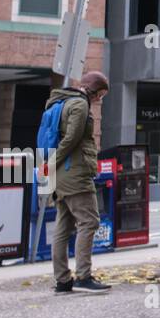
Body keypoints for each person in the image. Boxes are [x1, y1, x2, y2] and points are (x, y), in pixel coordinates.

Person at [49, 70, 111, 294]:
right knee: (89, 222)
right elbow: (72, 137)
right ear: (93, 89)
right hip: (74, 173)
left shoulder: (61, 101)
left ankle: (62, 281)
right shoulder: (80, 104)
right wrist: (52, 162)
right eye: (101, 95)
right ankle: (83, 277)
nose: (99, 100)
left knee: (63, 227)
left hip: (61, 176)